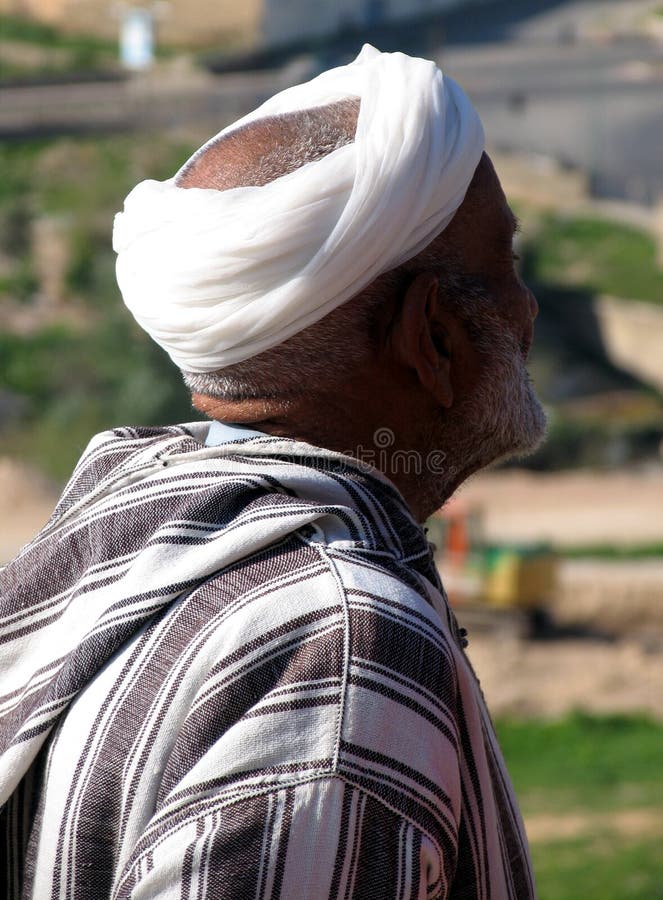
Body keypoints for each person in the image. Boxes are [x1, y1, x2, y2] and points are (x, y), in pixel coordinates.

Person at [0, 46, 545, 898]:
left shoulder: (110, 560)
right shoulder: (336, 647)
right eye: (504, 269)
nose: (528, 308)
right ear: (432, 337)